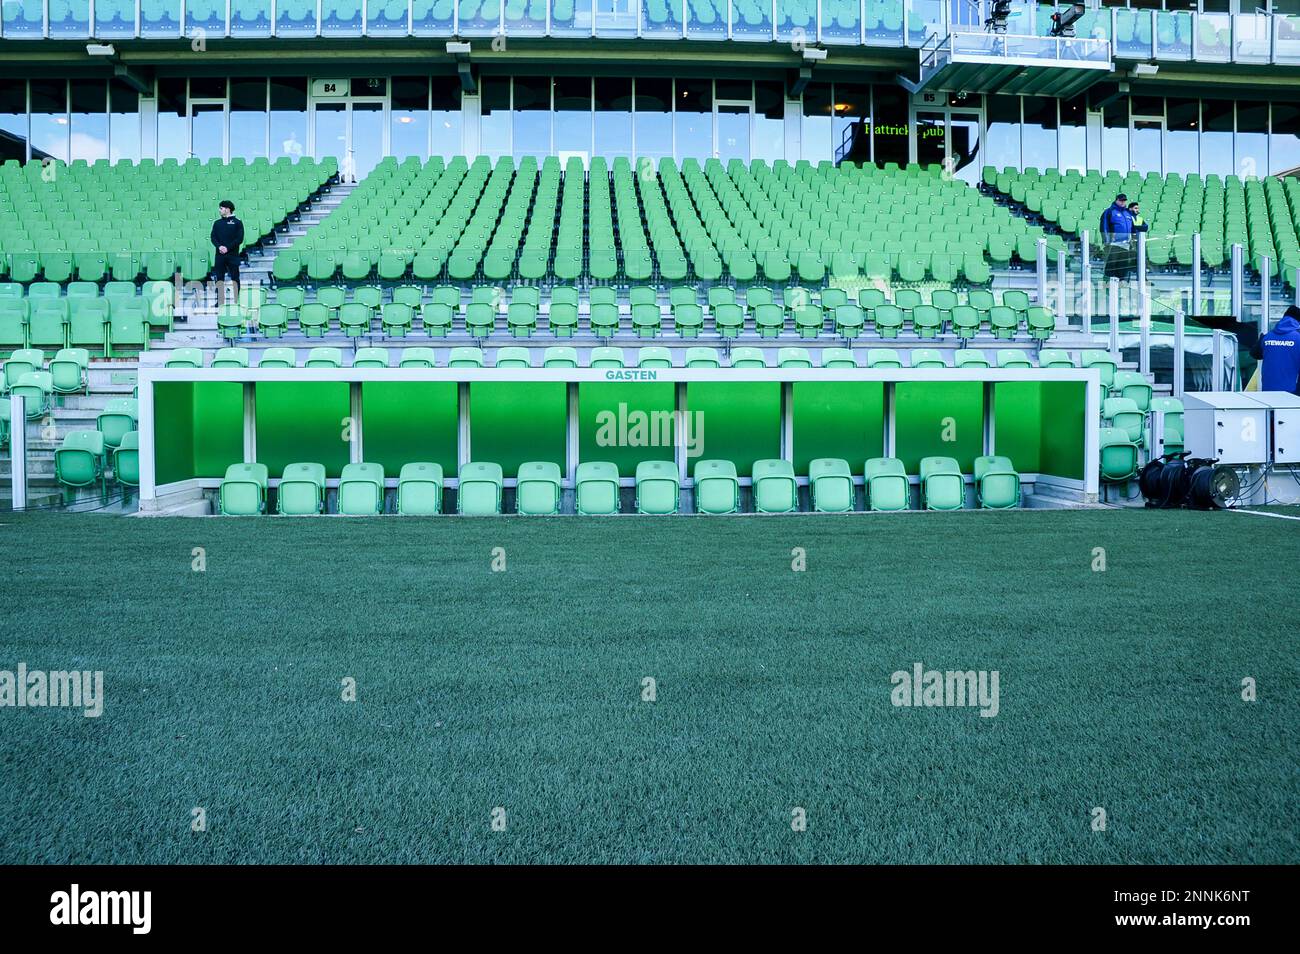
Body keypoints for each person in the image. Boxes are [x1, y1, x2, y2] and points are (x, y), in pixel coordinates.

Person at [1250, 304, 1300, 395]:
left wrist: (1260, 339)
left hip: (1268, 391)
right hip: (1292, 393)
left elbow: (1254, 354)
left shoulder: (1267, 336)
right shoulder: (1298, 338)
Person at [210, 199, 244, 304]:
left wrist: (227, 248)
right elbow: (213, 237)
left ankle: (237, 300)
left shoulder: (237, 223)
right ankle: (219, 300)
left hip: (233, 255)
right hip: (220, 255)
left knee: (235, 277)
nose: (219, 210)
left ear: (227, 209)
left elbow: (239, 239)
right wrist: (219, 246)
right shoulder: (217, 223)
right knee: (219, 278)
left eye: (221, 208)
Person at [1099, 193, 1133, 280]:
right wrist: (1106, 241)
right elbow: (1104, 227)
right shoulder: (1109, 211)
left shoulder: (1128, 213)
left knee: (1123, 267)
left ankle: (1121, 286)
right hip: (1114, 244)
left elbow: (1132, 227)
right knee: (1111, 266)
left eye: (1124, 200)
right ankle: (1106, 286)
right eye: (1121, 200)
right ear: (1116, 200)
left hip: (1126, 244)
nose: (1122, 202)